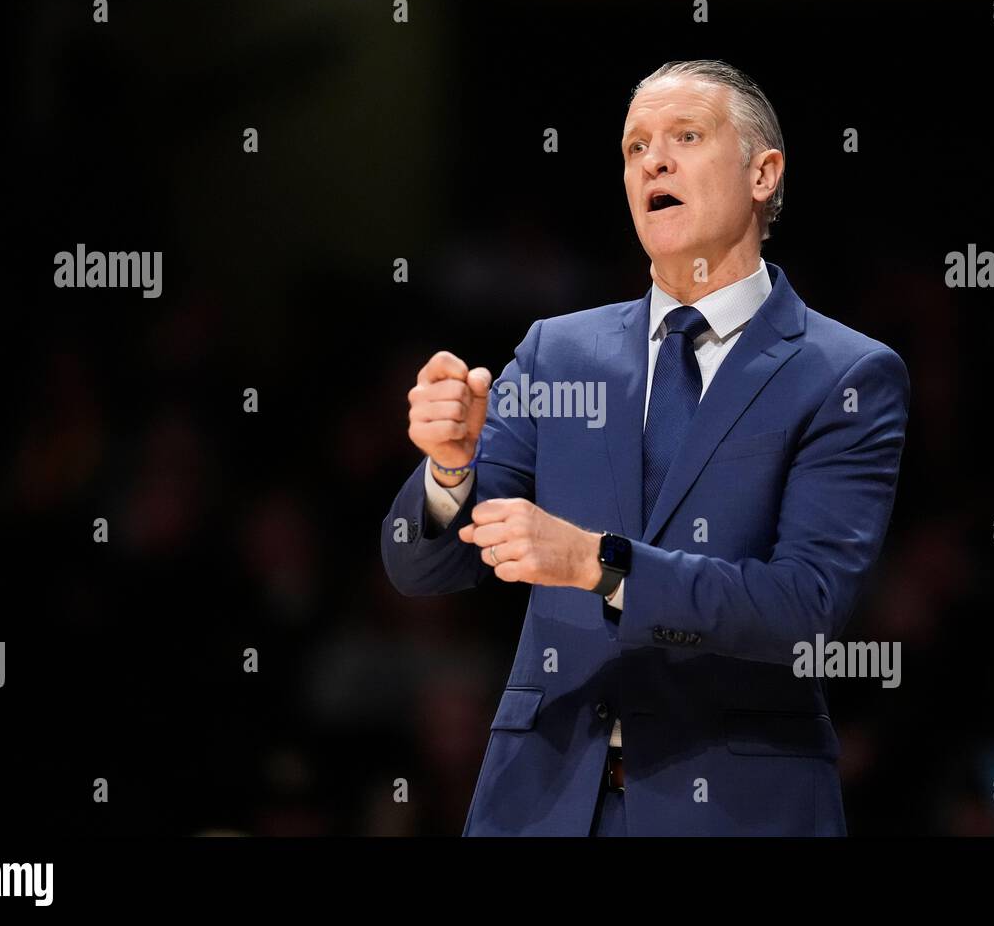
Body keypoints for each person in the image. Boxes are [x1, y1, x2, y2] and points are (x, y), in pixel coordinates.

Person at [381, 60, 910, 835]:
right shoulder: (558, 352)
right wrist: (449, 467)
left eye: (685, 137)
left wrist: (600, 563)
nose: (652, 162)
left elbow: (803, 610)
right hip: (543, 802)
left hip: (736, 808)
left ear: (764, 173)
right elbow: (422, 567)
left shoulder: (844, 374)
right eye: (635, 148)